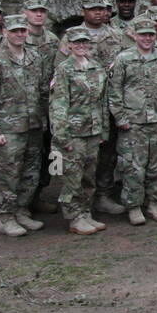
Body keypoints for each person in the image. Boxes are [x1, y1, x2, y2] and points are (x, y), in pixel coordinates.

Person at [0, 15, 48, 237]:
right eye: (15, 31)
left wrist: (46, 121)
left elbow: (43, 91)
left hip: (33, 125)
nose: (19, 35)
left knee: (30, 172)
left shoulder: (35, 57)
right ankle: (6, 217)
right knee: (9, 174)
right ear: (6, 31)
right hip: (8, 129)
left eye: (22, 31)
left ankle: (22, 210)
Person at [108, 17, 157, 225]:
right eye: (143, 34)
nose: (147, 38)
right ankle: (134, 206)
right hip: (132, 121)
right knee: (132, 166)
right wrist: (120, 117)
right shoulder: (123, 59)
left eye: (151, 35)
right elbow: (114, 91)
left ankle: (154, 202)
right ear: (135, 36)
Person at [49, 26, 110, 235]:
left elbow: (103, 101)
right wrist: (62, 135)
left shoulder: (96, 67)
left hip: (93, 131)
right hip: (73, 132)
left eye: (85, 42)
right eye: (77, 43)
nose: (81, 46)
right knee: (71, 177)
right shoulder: (64, 69)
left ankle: (86, 213)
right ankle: (73, 217)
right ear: (69, 45)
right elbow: (58, 104)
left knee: (88, 177)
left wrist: (103, 130)